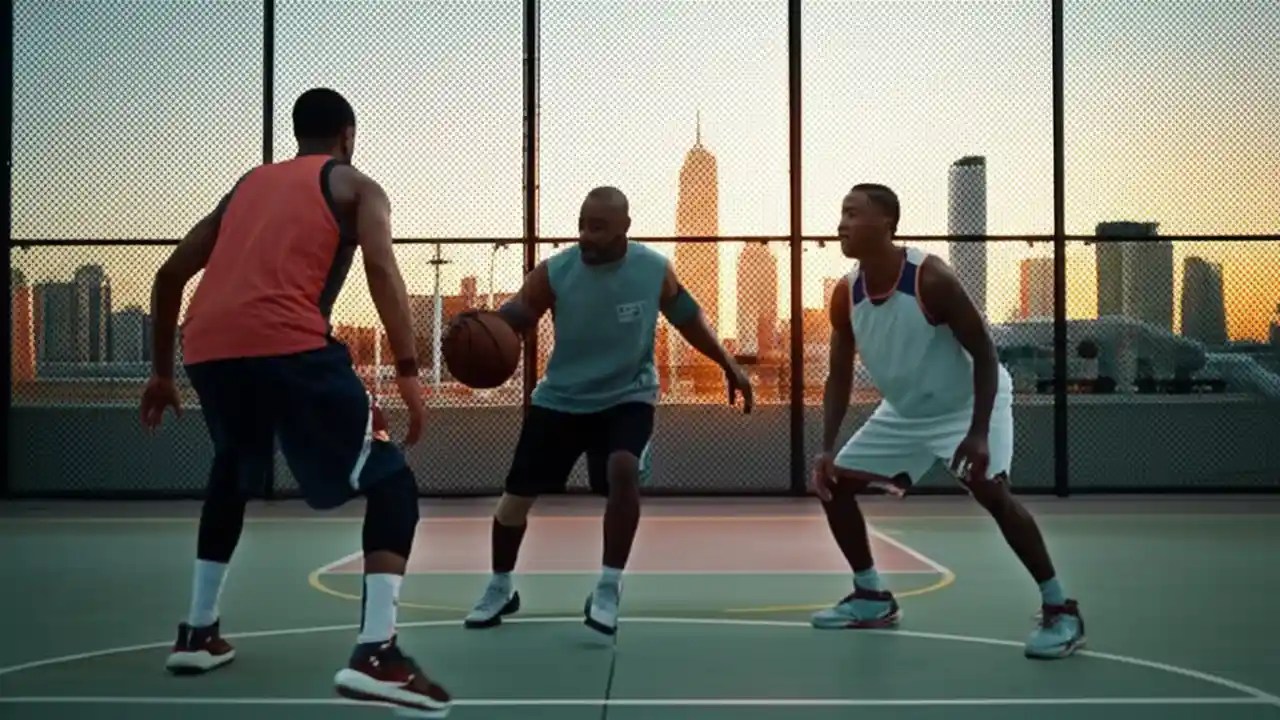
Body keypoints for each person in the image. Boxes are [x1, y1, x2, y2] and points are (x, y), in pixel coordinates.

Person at [139, 88, 451, 714]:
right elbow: (384, 272)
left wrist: (162, 374)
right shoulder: (356, 186)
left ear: (296, 133)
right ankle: (377, 653)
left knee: (232, 471)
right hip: (290, 344)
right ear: (349, 135)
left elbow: (171, 274)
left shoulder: (245, 187)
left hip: (208, 348)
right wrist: (411, 370)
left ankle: (199, 632)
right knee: (390, 480)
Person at [457, 186, 753, 636]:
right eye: (581, 225)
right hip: (560, 399)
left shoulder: (653, 270)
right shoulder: (555, 272)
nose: (585, 236)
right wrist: (479, 329)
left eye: (598, 227)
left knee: (622, 469)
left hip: (627, 395)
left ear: (624, 230)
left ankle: (608, 587)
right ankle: (500, 587)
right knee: (515, 499)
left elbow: (689, 317)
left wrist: (727, 364)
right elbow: (517, 314)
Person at [808, 183, 1085, 660]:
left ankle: (1061, 609)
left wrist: (977, 432)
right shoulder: (844, 295)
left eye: (853, 214)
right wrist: (827, 447)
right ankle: (871, 597)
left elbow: (983, 351)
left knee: (992, 491)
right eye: (841, 214)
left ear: (888, 223)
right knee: (834, 484)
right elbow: (837, 376)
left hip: (967, 403)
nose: (842, 224)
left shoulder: (929, 278)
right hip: (904, 412)